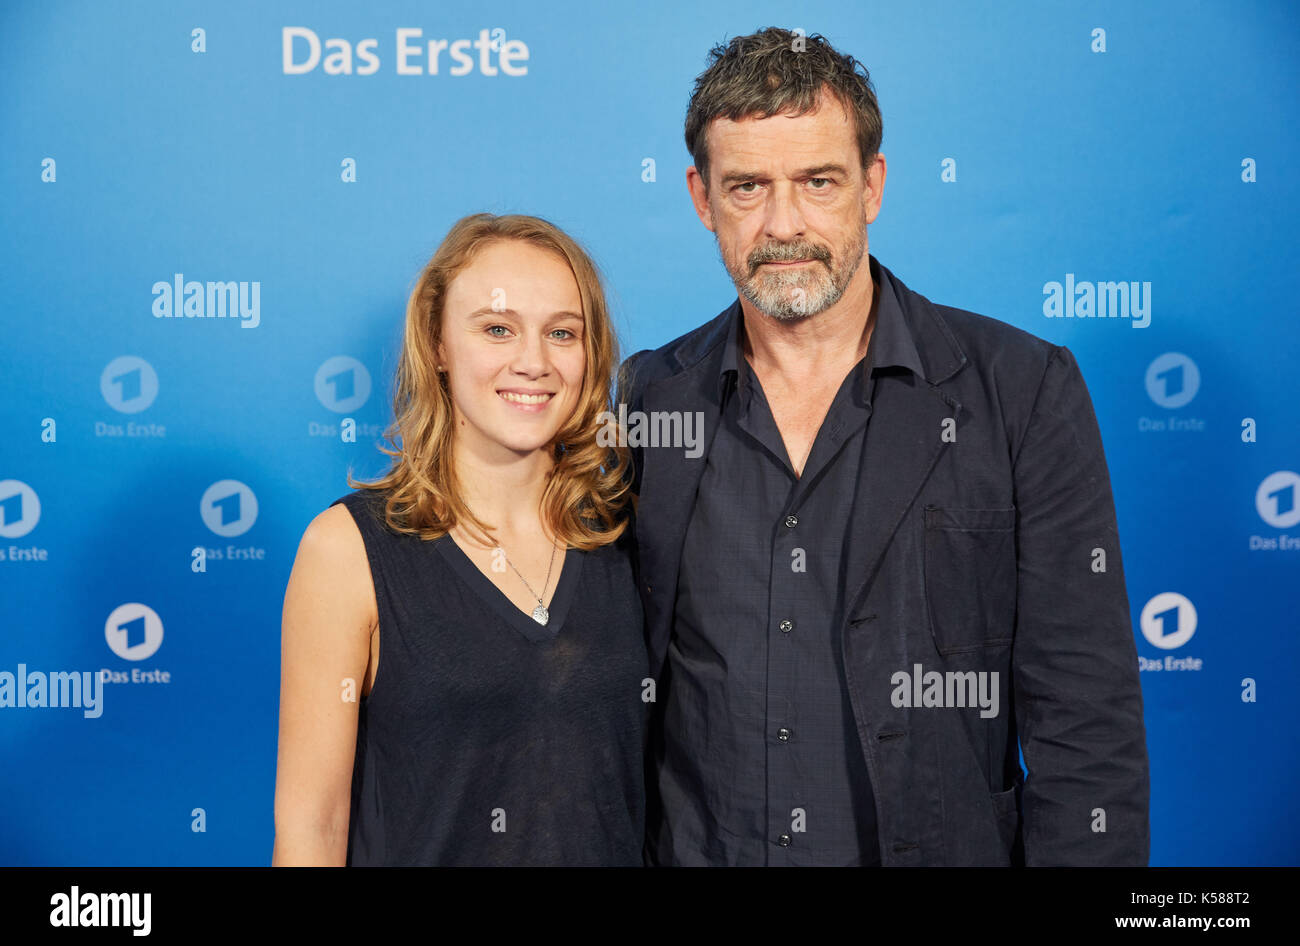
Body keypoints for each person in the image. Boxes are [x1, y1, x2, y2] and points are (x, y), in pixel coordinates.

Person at [617, 27, 1150, 865]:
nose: (782, 223)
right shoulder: (644, 400)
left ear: (872, 185)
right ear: (701, 197)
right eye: (748, 186)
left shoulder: (1019, 391)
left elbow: (1087, 718)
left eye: (817, 181)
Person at [273, 213, 647, 866]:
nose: (532, 362)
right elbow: (313, 828)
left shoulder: (629, 534)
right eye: (497, 329)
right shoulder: (347, 551)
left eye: (562, 333)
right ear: (438, 345)